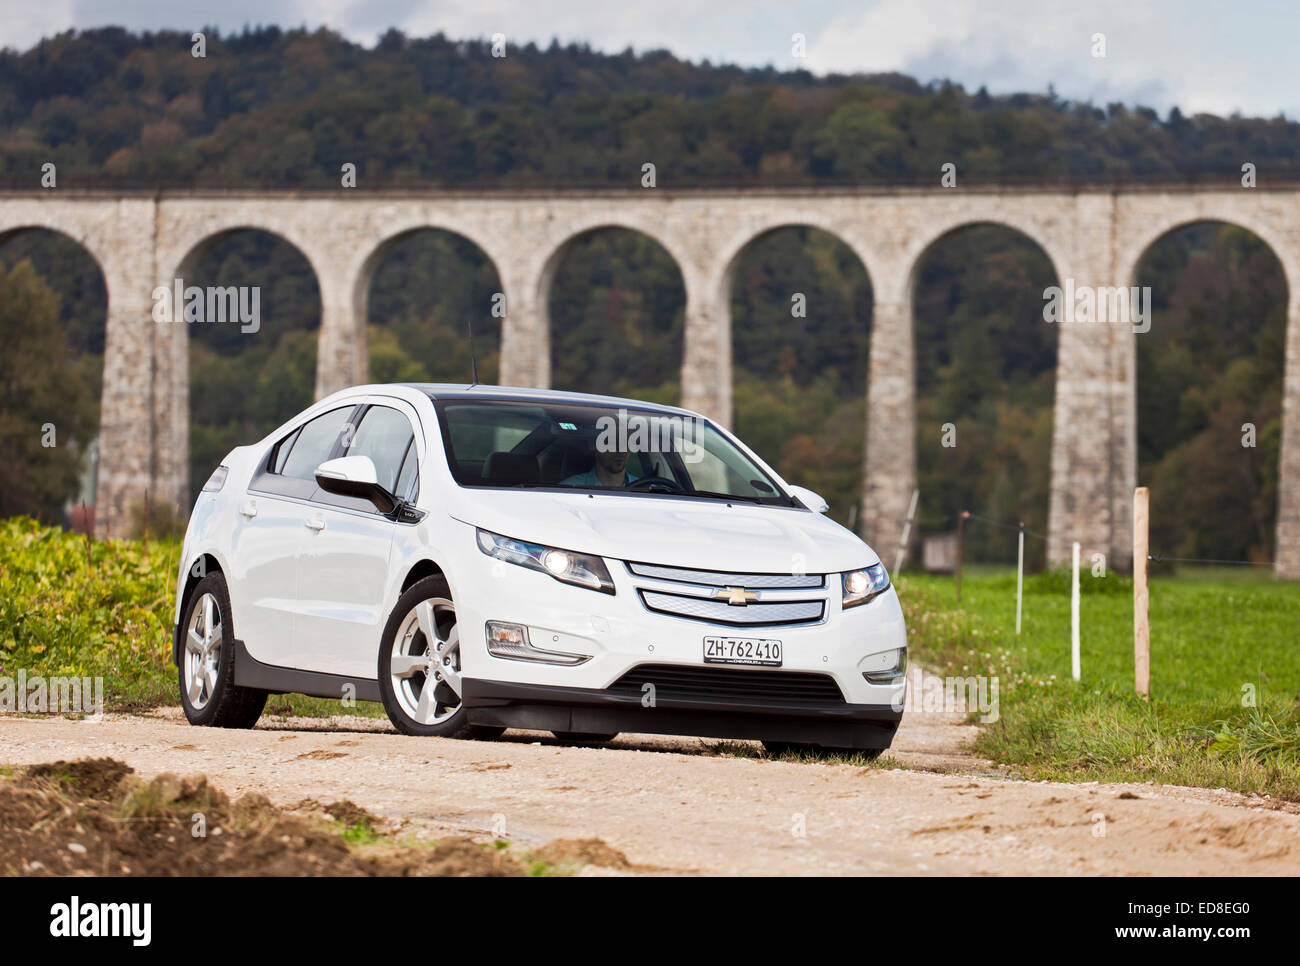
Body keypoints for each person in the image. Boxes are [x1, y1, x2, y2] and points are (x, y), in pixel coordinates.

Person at [562, 440, 639, 488]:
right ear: (593, 444)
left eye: (626, 443)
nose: (621, 449)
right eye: (612, 442)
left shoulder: (646, 488)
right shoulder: (569, 488)